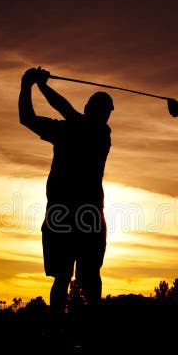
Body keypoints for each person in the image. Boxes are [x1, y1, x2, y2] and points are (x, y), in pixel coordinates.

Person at [18, 66, 113, 315]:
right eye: (102, 110)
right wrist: (29, 86)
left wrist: (36, 84)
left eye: (106, 113)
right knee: (66, 277)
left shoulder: (100, 134)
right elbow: (27, 118)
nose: (104, 117)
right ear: (90, 110)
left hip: (71, 214)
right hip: (80, 215)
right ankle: (61, 330)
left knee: (86, 278)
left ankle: (82, 330)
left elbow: (64, 110)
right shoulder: (70, 130)